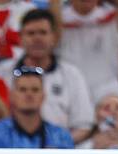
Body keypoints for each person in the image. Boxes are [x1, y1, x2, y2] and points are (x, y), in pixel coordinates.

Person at [10, 9, 93, 142]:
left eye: (43, 33)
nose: (37, 38)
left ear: (54, 37)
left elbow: (84, 126)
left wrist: (56, 147)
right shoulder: (5, 72)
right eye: (31, 33)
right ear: (20, 38)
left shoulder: (72, 74)